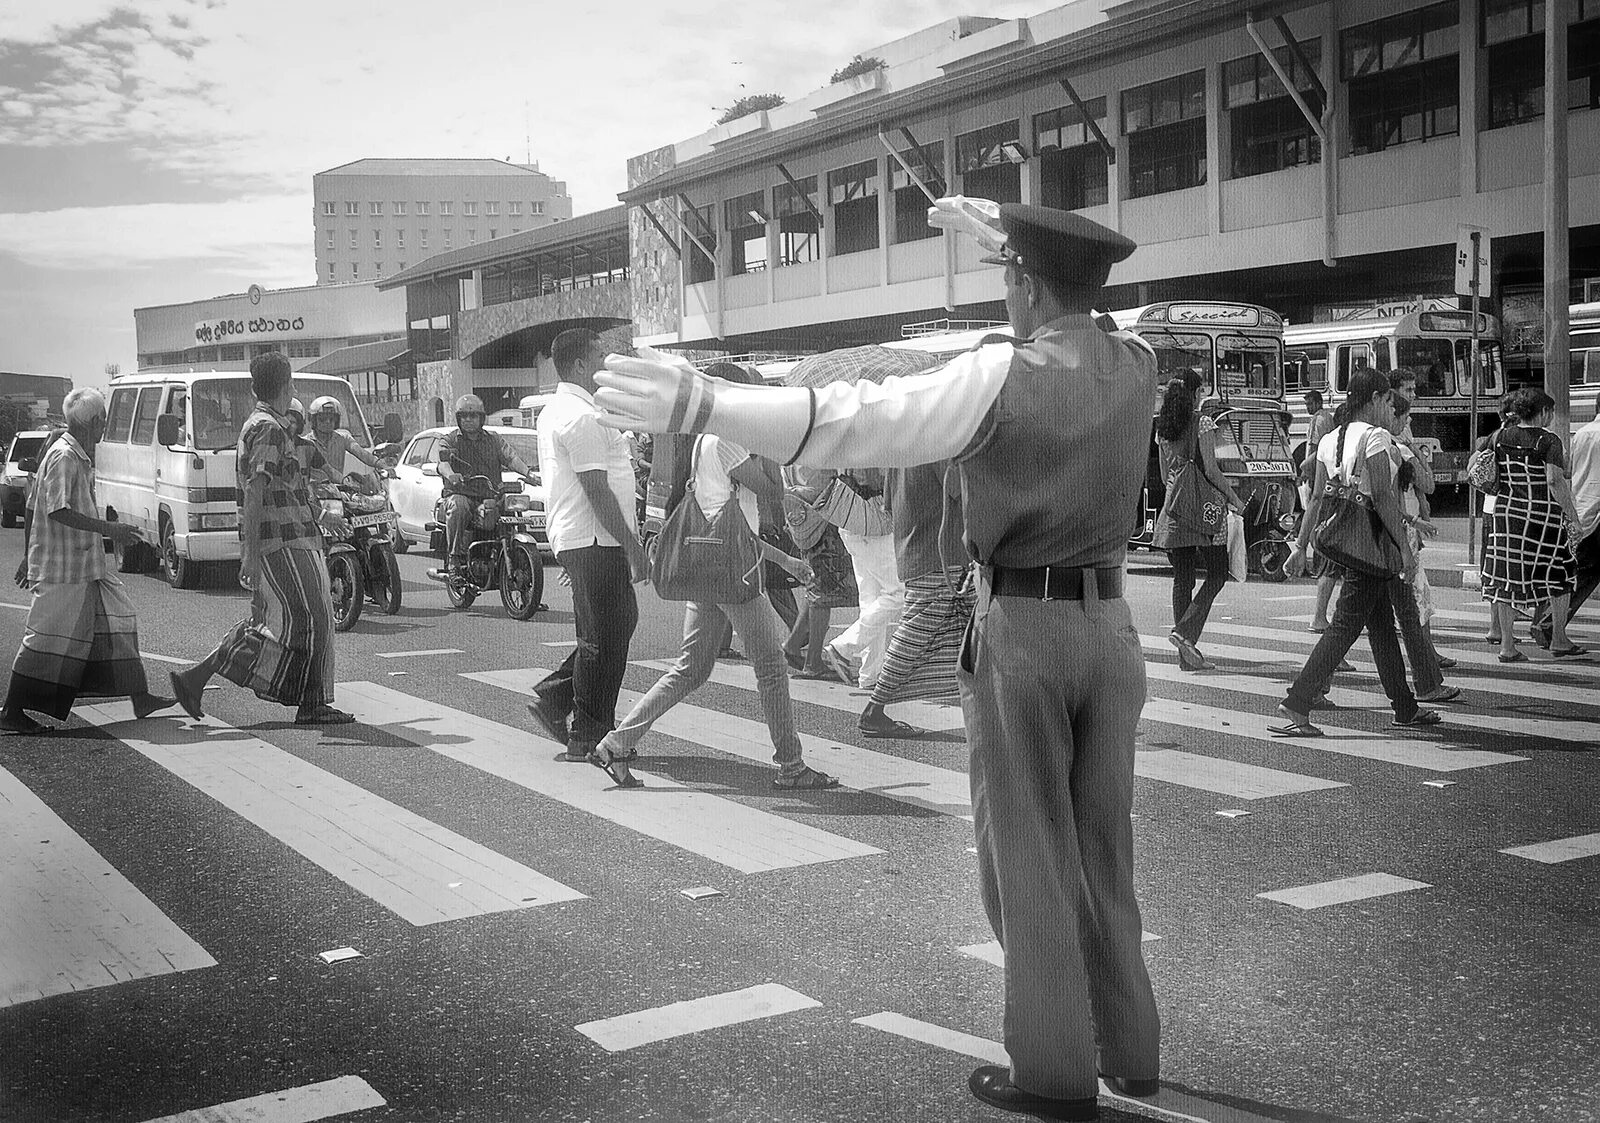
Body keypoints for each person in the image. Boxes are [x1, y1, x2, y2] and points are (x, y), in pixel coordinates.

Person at [596, 201, 1163, 1121]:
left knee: (1027, 852)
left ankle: (1055, 1071)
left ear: (1020, 284)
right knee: (1105, 847)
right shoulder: (1137, 366)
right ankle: (1130, 1047)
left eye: (1007, 278)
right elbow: (1081, 309)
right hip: (1111, 628)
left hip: (1024, 623)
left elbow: (852, 421)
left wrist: (700, 402)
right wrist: (1018, 247)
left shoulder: (998, 376)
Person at [590, 367, 831, 790]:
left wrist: (788, 564)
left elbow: (731, 531)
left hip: (711, 568)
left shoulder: (707, 438)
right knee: (772, 669)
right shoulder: (727, 440)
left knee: (690, 669)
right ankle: (792, 766)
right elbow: (772, 491)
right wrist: (775, 445)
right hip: (729, 576)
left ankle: (616, 743)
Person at [169, 353, 354, 726]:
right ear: (286, 386)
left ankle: (196, 680)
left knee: (283, 620)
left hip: (293, 537)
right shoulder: (267, 428)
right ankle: (312, 703)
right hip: (282, 541)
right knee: (315, 618)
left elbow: (287, 484)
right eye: (293, 383)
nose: (295, 388)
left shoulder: (268, 425)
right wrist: (250, 554)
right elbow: (255, 491)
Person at [1, 391, 175, 735]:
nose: (104, 425)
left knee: (119, 620)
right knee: (45, 638)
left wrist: (27, 554)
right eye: (103, 419)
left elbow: (33, 506)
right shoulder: (65, 456)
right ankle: (12, 710)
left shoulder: (70, 455)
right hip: (64, 570)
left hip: (85, 567)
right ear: (93, 421)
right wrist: (110, 528)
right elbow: (57, 509)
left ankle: (139, 696)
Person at [1277, 370, 1441, 735]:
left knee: (1381, 627)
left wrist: (1300, 547)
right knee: (1344, 628)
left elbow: (1317, 497)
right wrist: (1406, 549)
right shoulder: (1377, 437)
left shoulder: (1331, 438)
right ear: (1374, 400)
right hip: (1372, 544)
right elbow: (1382, 497)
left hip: (1346, 541)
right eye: (1386, 401)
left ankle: (1405, 706)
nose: (1389, 407)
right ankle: (1298, 701)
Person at [524, 329, 649, 764]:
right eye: (599, 355)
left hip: (584, 539)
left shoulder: (565, 409)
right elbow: (596, 489)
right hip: (595, 538)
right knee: (604, 636)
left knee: (613, 627)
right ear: (579, 365)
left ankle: (558, 697)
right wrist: (633, 547)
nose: (605, 362)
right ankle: (589, 732)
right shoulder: (581, 416)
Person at [856, 457, 975, 737]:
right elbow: (963, 490)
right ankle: (874, 708)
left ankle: (986, 704)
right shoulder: (937, 447)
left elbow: (888, 502)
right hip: (941, 554)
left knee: (970, 629)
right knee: (917, 632)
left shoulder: (903, 448)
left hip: (918, 550)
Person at [1480, 388, 1584, 661]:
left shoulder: (1499, 436)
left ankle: (1507, 646)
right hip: (1542, 518)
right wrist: (1572, 515)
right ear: (1543, 412)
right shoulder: (1549, 441)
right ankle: (1559, 638)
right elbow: (1554, 480)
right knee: (1560, 574)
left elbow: (1479, 463)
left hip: (1506, 515)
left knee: (1505, 576)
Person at [1152, 368, 1244, 671]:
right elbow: (1212, 471)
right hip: (1205, 511)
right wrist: (1233, 497)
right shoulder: (1202, 423)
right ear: (1195, 392)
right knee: (1217, 573)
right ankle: (1185, 633)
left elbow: (1166, 476)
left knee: (1182, 580)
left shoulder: (1162, 428)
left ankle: (1186, 658)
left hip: (1175, 509)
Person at [1383, 394, 1459, 702]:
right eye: (1406, 416)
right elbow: (1428, 485)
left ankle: (1314, 686)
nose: (1410, 422)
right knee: (1416, 607)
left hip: (1401, 531)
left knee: (1369, 615)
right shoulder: (1399, 450)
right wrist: (1415, 449)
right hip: (1404, 537)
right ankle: (1428, 681)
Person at [431, 393, 538, 580]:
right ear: (459, 418)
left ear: (481, 418)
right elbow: (442, 462)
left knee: (512, 511)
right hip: (461, 493)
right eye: (464, 416)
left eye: (473, 416)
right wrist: (451, 475)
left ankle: (528, 581)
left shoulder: (494, 439)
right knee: (459, 506)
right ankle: (454, 560)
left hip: (490, 496)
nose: (469, 420)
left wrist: (528, 473)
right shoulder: (451, 440)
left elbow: (511, 457)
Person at [821, 466, 903, 690]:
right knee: (898, 593)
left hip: (850, 518)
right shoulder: (869, 443)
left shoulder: (845, 439)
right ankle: (843, 647)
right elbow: (873, 479)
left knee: (871, 600)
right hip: (872, 519)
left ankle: (870, 674)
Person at [780, 466, 858, 679]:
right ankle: (813, 662)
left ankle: (794, 645)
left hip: (801, 511)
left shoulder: (793, 441)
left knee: (816, 585)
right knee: (822, 594)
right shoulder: (818, 442)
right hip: (822, 512)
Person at [1532, 410, 1600, 647]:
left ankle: (1544, 623)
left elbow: (1569, 470)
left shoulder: (1581, 434)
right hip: (1596, 511)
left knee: (1575, 571)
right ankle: (1547, 625)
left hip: (1582, 504)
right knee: (1580, 573)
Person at [12, 426, 65, 590]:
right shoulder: (44, 474)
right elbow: (31, 513)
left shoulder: (83, 466)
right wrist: (28, 556)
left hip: (82, 562)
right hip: (53, 558)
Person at [306, 395, 382, 483]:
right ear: (313, 420)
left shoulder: (343, 438)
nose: (328, 422)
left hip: (338, 489)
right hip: (314, 491)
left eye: (331, 419)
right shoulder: (306, 443)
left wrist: (380, 464)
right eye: (322, 419)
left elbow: (362, 453)